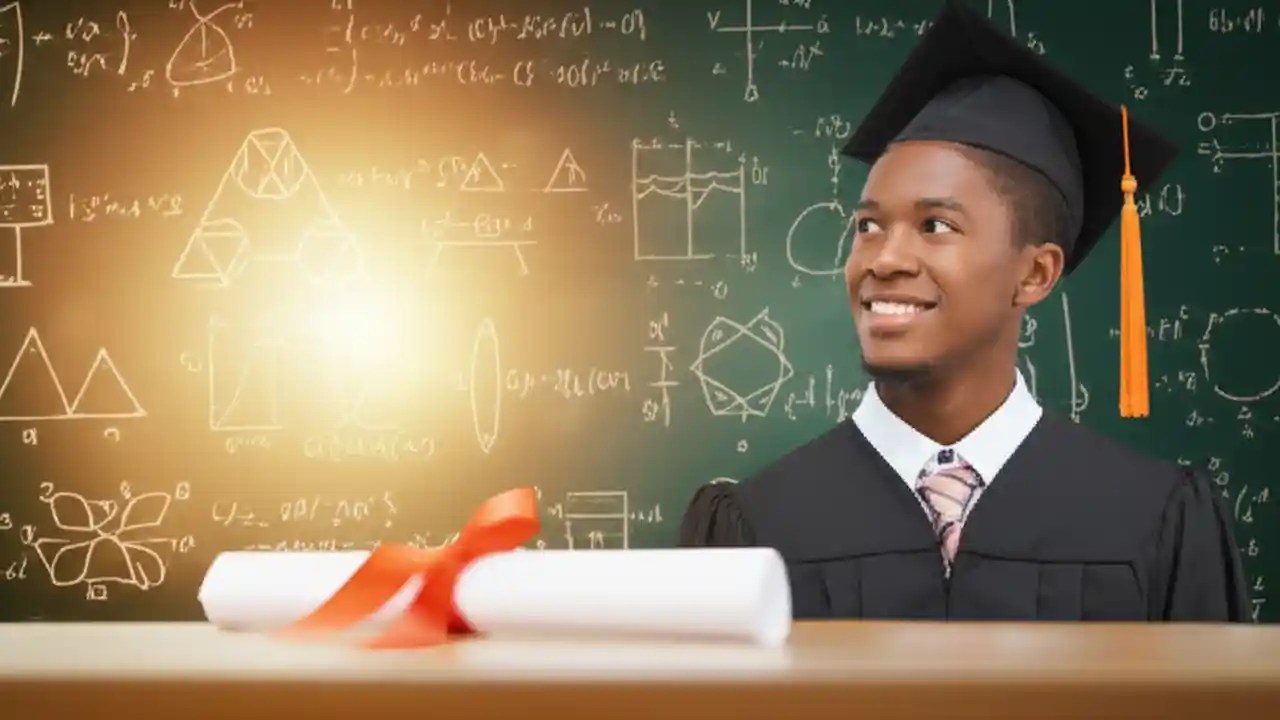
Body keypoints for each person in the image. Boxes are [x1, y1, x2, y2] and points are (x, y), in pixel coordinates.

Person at [677, 0, 1249, 622]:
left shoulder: (1155, 519)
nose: (884, 258)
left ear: (1035, 274)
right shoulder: (752, 528)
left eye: (936, 226)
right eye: (868, 226)